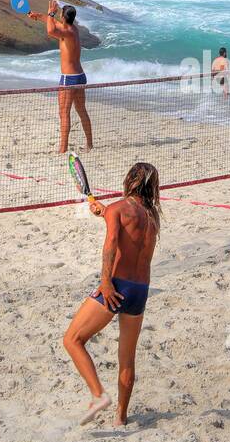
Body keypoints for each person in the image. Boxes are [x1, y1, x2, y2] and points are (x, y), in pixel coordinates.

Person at [62, 163, 161, 427]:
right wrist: (104, 212)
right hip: (140, 291)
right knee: (127, 358)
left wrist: (106, 282)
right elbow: (129, 228)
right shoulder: (152, 217)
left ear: (129, 180)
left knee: (72, 340)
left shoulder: (118, 209)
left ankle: (98, 395)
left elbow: (111, 246)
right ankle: (121, 417)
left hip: (117, 285)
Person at [30, 0, 93, 153]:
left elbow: (51, 30)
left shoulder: (66, 33)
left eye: (59, 15)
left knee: (64, 113)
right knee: (81, 110)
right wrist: (39, 16)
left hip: (69, 78)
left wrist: (51, 12)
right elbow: (55, 24)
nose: (58, 17)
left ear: (64, 18)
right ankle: (89, 145)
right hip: (80, 76)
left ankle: (62, 149)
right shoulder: (73, 30)